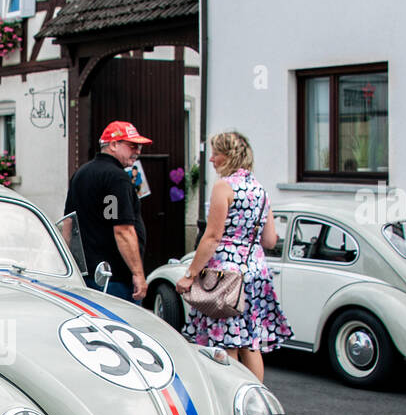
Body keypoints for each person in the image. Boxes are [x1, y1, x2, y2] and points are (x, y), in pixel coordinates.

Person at [177, 130, 292, 382]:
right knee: (250, 342)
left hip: (226, 274)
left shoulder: (224, 186)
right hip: (256, 271)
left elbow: (212, 237)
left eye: (215, 154)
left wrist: (189, 274)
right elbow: (270, 240)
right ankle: (254, 397)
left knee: (226, 341)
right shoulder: (260, 189)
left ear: (227, 157)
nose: (211, 160)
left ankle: (229, 401)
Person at [63, 121, 150, 302]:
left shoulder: (81, 173)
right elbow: (122, 229)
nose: (138, 151)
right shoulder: (117, 177)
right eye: (132, 145)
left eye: (139, 146)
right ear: (113, 144)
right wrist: (138, 274)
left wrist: (66, 266)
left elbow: (69, 223)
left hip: (85, 274)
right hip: (114, 278)